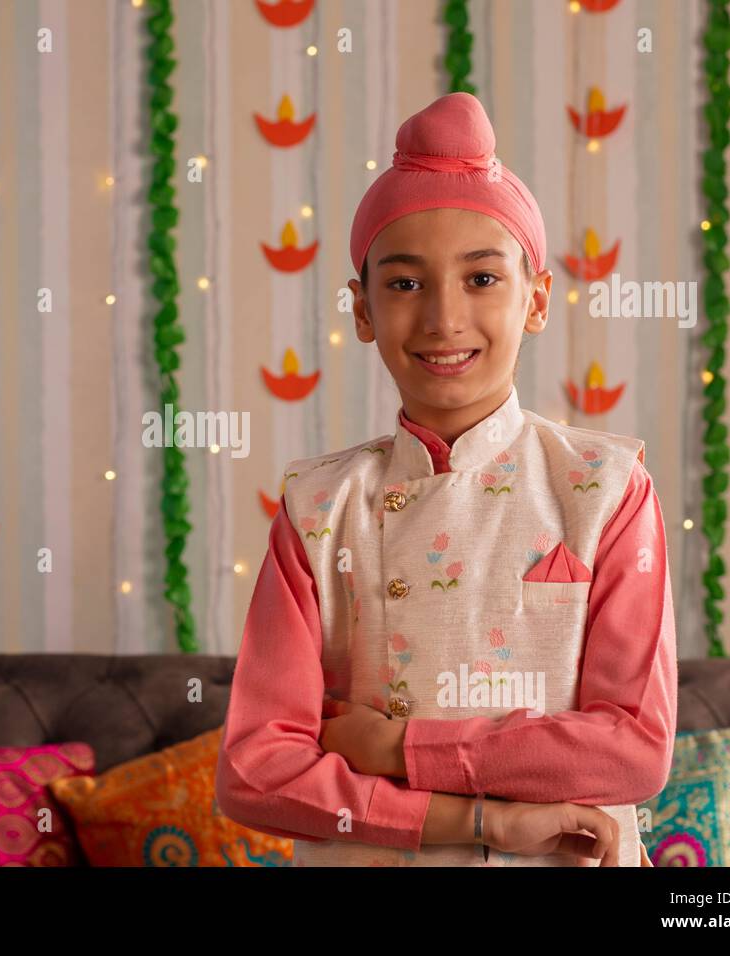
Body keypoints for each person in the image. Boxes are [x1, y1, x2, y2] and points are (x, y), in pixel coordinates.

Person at [214, 92, 677, 867]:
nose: (442, 319)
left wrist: (402, 748)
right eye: (403, 285)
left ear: (536, 299)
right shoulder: (318, 508)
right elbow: (256, 774)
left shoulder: (607, 488)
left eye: (482, 279)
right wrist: (482, 822)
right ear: (362, 312)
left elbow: (632, 750)